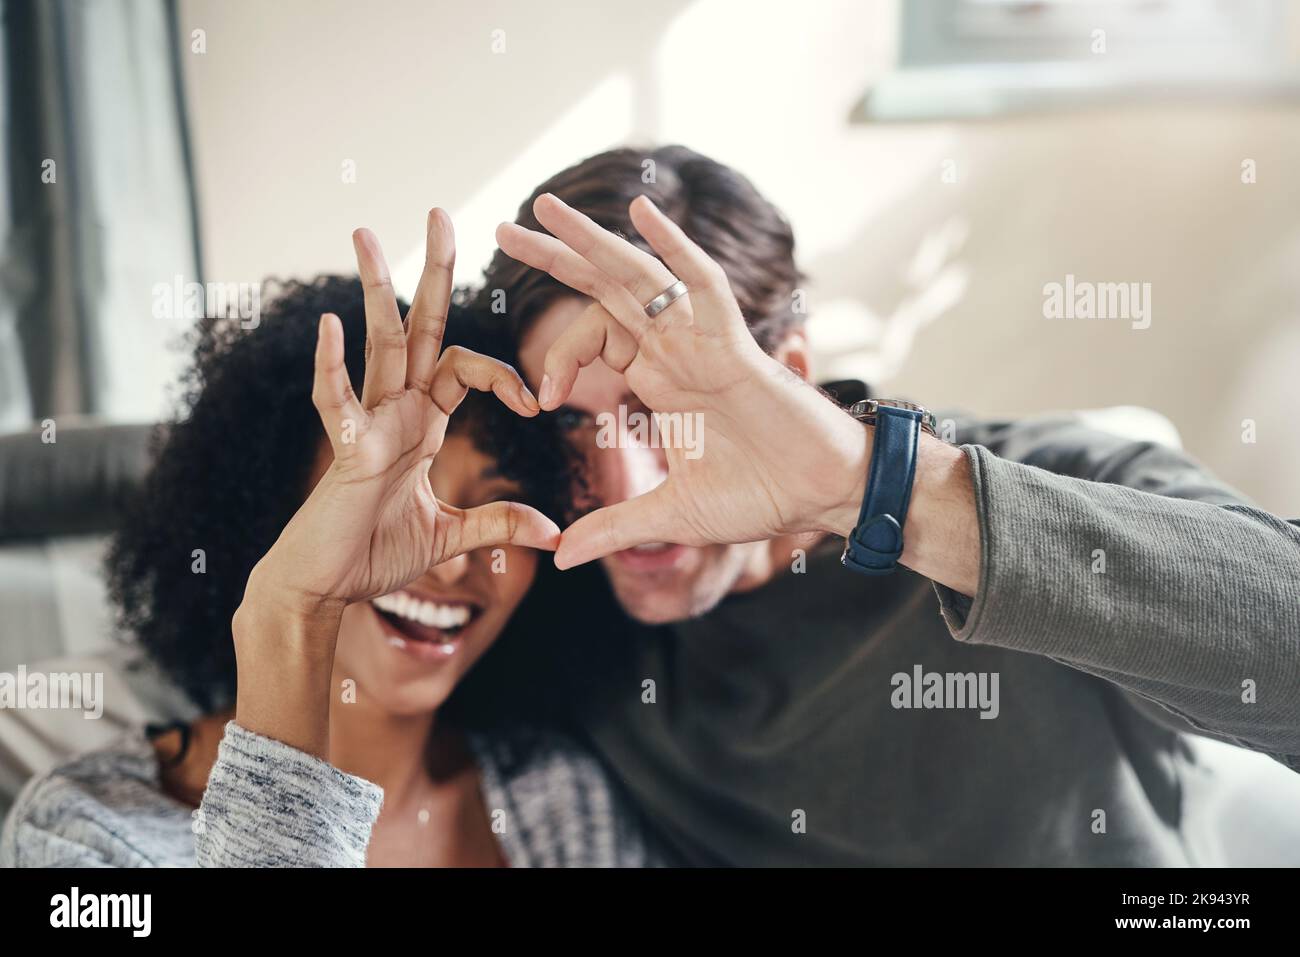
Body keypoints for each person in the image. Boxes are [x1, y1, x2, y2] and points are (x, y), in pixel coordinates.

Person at [477, 145, 1300, 866]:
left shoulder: (1051, 479)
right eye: (570, 426)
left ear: (791, 372)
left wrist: (878, 490)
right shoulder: (559, 589)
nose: (623, 488)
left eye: (664, 413)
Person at [0, 213, 664, 868]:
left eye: (501, 501)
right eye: (390, 495)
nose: (450, 558)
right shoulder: (87, 833)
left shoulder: (557, 800)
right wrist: (290, 612)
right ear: (271, 511)